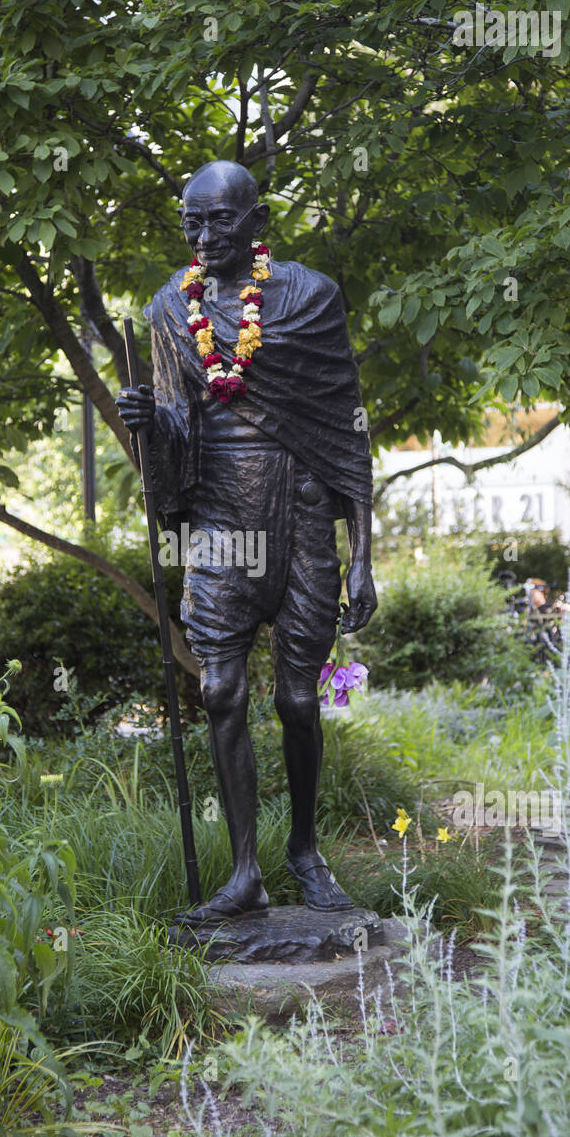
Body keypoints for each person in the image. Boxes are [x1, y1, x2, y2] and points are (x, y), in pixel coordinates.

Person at [117, 160, 376, 922]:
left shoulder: (309, 298)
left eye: (219, 221)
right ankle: (242, 874)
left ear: (256, 223)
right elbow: (175, 426)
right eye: (191, 222)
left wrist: (362, 557)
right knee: (220, 687)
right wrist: (147, 420)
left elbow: (347, 433)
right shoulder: (173, 306)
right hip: (222, 518)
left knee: (299, 699)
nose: (203, 236)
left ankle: (303, 850)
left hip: (299, 515)